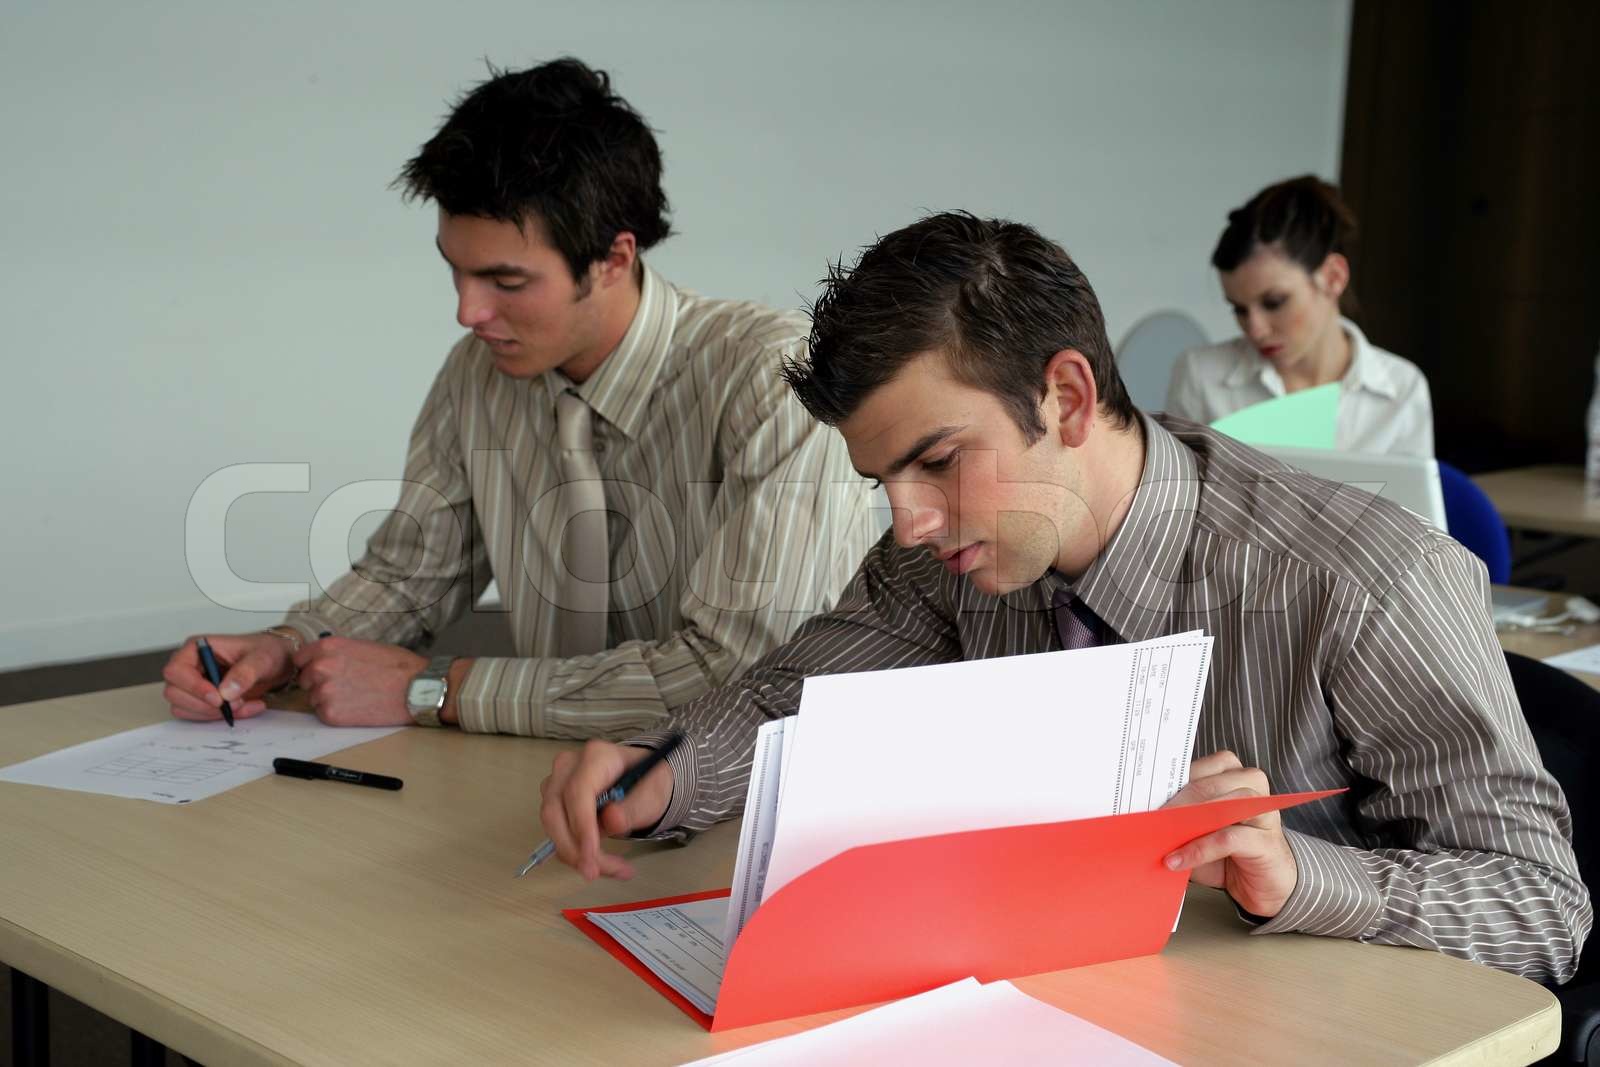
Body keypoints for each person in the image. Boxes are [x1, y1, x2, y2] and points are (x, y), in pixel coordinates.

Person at [539, 211, 1590, 983]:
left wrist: (1301, 870)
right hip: (1044, 989)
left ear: (1070, 397)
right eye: (883, 481)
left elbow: (1542, 907)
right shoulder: (948, 549)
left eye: (939, 460)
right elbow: (788, 699)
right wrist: (667, 771)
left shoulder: (1366, 578)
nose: (906, 520)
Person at [161, 59, 874, 738]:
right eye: (455, 270)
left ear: (614, 260)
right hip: (542, 785)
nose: (468, 312)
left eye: (505, 282)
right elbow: (411, 577)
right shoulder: (477, 375)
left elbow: (746, 670)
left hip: (759, 804)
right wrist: (286, 646)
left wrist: (441, 689)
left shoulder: (772, 378)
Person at [1166, 176, 1434, 457]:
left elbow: (1408, 501)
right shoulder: (1200, 376)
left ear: (1333, 277)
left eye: (1274, 302)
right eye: (1239, 309)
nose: (1255, 329)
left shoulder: (1401, 389)